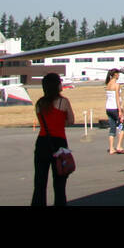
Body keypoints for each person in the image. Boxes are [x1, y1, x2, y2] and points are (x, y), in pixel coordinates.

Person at [31, 72, 74, 206]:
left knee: (40, 182)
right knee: (60, 182)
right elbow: (71, 120)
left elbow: (42, 122)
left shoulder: (40, 103)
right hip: (59, 142)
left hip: (42, 142)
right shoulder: (63, 102)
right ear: (57, 85)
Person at [104, 69, 124, 155]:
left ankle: (111, 148)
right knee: (122, 125)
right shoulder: (116, 85)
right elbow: (117, 98)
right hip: (114, 108)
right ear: (115, 74)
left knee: (112, 128)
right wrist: (120, 110)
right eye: (118, 74)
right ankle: (119, 145)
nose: (119, 75)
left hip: (108, 108)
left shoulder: (108, 84)